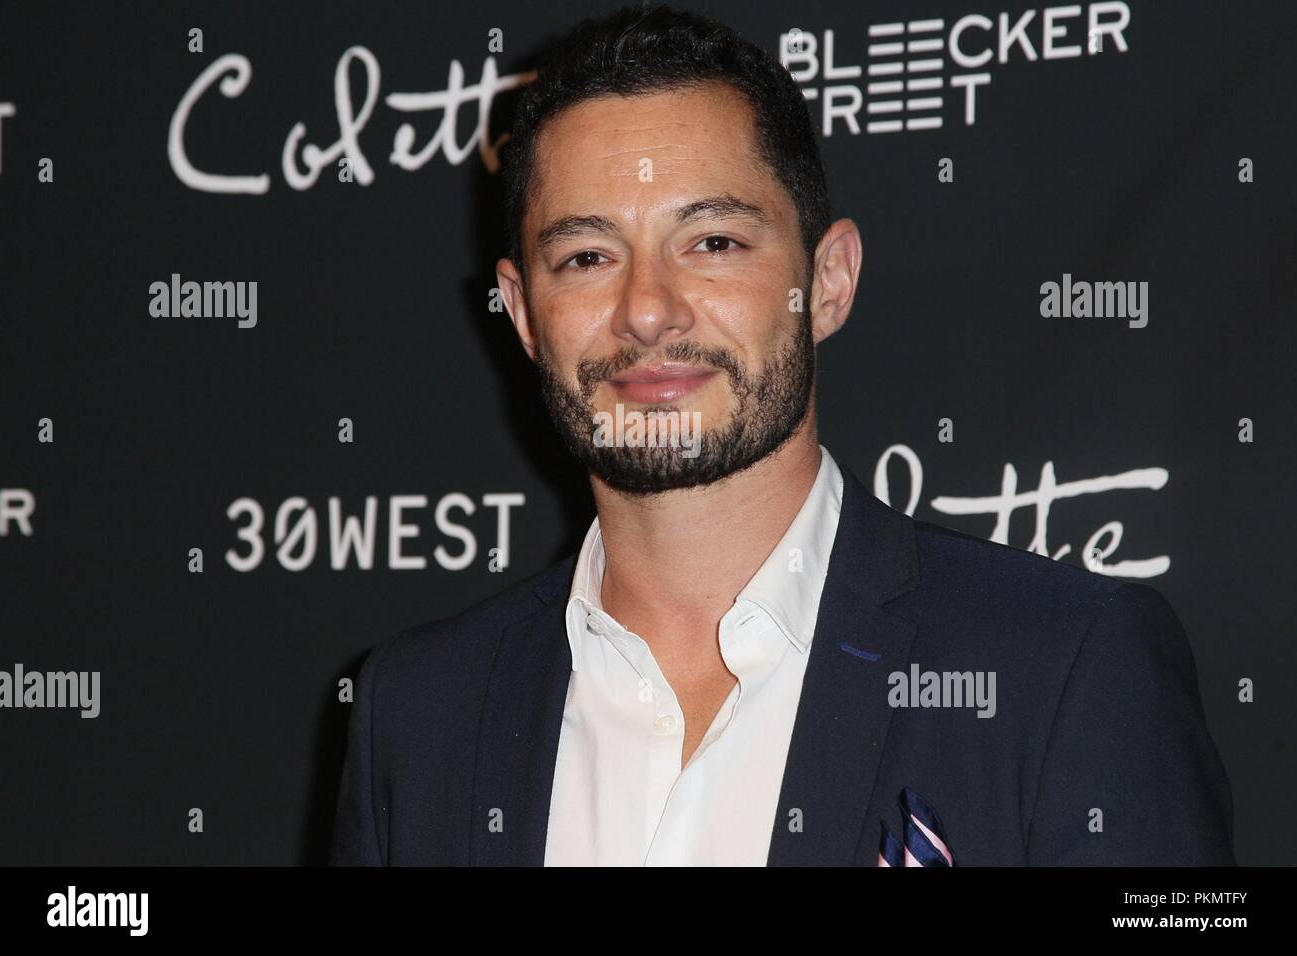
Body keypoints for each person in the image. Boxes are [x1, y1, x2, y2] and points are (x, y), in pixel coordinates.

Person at [330, 3, 1233, 866]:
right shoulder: (419, 713)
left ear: (829, 281)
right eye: (587, 257)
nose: (647, 311)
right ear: (524, 314)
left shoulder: (1067, 665)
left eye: (714, 241)